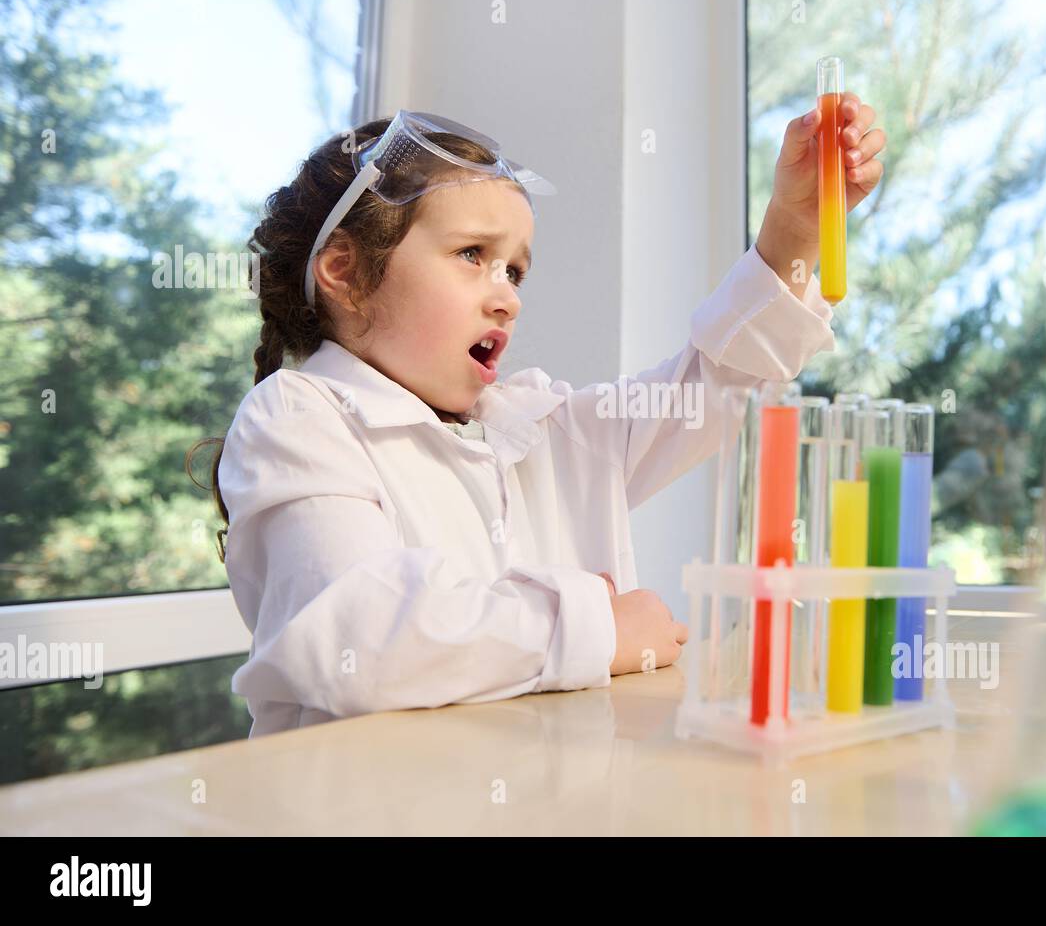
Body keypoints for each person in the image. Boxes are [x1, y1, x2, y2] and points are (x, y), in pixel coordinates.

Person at [193, 102, 885, 736]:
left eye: (515, 272)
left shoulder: (540, 432)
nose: (507, 299)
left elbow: (718, 383)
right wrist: (598, 630)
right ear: (344, 270)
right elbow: (359, 641)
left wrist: (796, 227)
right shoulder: (298, 417)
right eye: (473, 256)